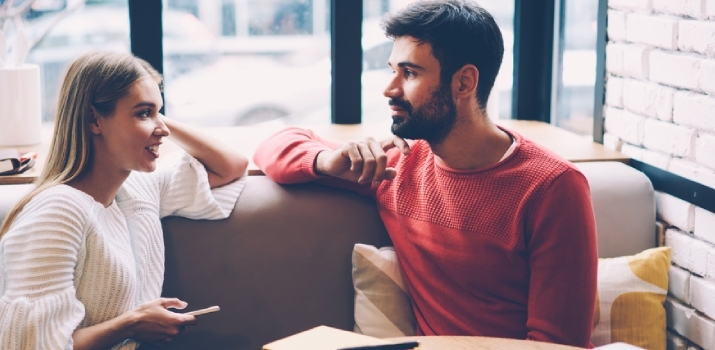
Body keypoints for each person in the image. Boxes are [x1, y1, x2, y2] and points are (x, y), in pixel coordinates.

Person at [253, 0, 597, 346]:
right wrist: (327, 162)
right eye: (392, 71)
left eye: (410, 73)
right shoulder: (395, 166)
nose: (390, 89)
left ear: (464, 83)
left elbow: (557, 345)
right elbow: (275, 145)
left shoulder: (553, 188)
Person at [0, 51, 248, 349]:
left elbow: (231, 165)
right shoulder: (57, 213)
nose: (163, 130)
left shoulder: (137, 191)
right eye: (142, 113)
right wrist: (132, 324)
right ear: (94, 120)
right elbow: (31, 346)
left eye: (158, 112)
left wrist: (153, 116)